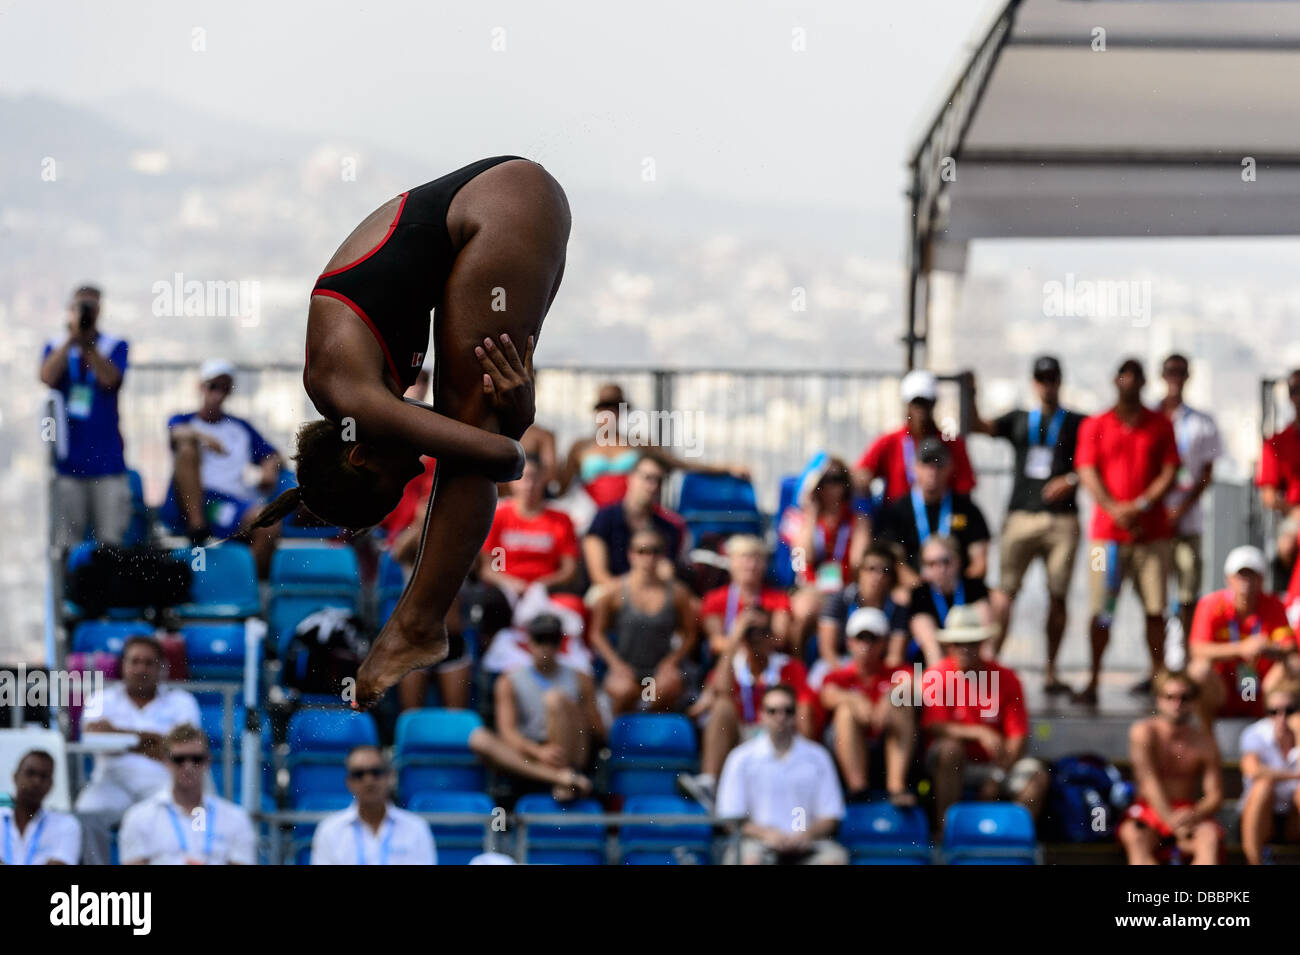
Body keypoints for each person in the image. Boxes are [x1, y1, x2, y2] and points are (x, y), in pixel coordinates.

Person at [252, 156, 572, 709]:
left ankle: (419, 624)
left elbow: (500, 457)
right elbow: (501, 449)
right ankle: (418, 624)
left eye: (393, 484)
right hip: (504, 208)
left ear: (358, 456)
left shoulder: (353, 395)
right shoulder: (346, 393)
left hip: (502, 209)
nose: (413, 471)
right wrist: (512, 419)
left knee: (469, 444)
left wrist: (511, 425)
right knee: (477, 427)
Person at [967, 356, 1084, 692]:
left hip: (1063, 520)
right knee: (1004, 594)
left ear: (1060, 381)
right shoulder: (1019, 419)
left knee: (1057, 597)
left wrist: (1072, 479)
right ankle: (990, 665)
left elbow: (1097, 459)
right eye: (1042, 379)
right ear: (1034, 383)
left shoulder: (1076, 422)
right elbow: (980, 427)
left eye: (1052, 379)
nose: (1047, 385)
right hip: (1021, 515)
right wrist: (970, 393)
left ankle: (1050, 672)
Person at [1075, 358, 1180, 703]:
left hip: (1152, 536)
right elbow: (1088, 470)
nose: (1130, 383)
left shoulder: (1160, 425)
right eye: (1125, 376)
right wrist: (1113, 508)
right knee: (1102, 610)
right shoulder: (1096, 424)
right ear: (1115, 380)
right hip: (1106, 538)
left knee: (1155, 610)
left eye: (1136, 377)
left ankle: (1160, 679)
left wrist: (1141, 504)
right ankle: (1092, 679)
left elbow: (1169, 472)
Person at [922, 605, 1046, 829]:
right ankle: (946, 833)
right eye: (958, 643)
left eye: (971, 642)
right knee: (949, 750)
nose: (964, 649)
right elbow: (935, 726)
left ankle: (1011, 840)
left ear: (981, 644)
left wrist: (998, 776)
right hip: (954, 763)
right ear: (949, 646)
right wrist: (980, 732)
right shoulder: (936, 676)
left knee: (1036, 777)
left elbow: (1017, 736)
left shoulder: (1007, 678)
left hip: (996, 764)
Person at [683, 608, 820, 807]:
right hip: (741, 736)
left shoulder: (789, 667)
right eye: (750, 633)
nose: (756, 639)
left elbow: (805, 709)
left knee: (802, 709)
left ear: (773, 638)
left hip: (778, 735)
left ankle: (803, 771)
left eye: (763, 632)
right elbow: (721, 689)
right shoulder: (732, 666)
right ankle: (710, 783)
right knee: (722, 706)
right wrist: (734, 639)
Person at [160, 359, 284, 574]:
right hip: (199, 500)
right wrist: (203, 437)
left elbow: (272, 454)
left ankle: (242, 585)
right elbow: (176, 433)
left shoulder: (240, 427)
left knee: (269, 525)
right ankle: (197, 526)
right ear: (201, 387)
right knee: (187, 450)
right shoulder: (184, 420)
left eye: (224, 387)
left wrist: (268, 468)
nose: (218, 393)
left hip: (232, 502)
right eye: (213, 386)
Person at [74, 636, 202, 831]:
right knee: (86, 812)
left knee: (185, 813)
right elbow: (92, 737)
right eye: (135, 661)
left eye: (149, 663)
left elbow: (183, 748)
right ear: (123, 665)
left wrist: (118, 737)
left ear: (161, 667)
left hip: (163, 783)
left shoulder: (182, 701)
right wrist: (155, 741)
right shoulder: (101, 698)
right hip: (111, 782)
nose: (141, 669)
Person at [39, 284, 132, 550]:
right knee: (69, 540)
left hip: (108, 461)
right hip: (69, 463)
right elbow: (46, 377)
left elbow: (111, 380)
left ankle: (109, 590)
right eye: (82, 307)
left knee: (111, 541)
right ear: (71, 309)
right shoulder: (57, 346)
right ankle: (73, 589)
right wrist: (72, 339)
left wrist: (90, 346)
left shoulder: (114, 345)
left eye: (92, 307)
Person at [716, 685, 848, 865]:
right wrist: (766, 834)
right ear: (761, 714)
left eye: (788, 711)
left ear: (796, 714)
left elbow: (831, 816)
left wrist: (806, 835)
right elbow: (730, 819)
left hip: (809, 842)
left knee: (833, 860)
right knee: (750, 860)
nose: (781, 717)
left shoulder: (818, 757)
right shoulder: (741, 758)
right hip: (756, 842)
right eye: (773, 711)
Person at [558, 382, 746, 507]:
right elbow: (562, 489)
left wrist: (726, 468)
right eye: (604, 408)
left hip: (632, 517)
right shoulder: (581, 447)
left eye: (614, 408)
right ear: (596, 411)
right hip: (594, 519)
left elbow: (678, 464)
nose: (609, 413)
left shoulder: (638, 444)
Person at [1118, 670, 1224, 865]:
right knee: (1134, 834)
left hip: (1188, 813)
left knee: (1209, 838)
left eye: (1184, 698)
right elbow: (1148, 780)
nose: (1177, 704)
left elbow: (1215, 795)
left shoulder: (1204, 742)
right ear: (1159, 699)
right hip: (1150, 810)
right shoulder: (1144, 732)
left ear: (1194, 702)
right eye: (1170, 697)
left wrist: (1192, 814)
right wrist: (1169, 820)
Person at [588, 530, 698, 715]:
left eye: (654, 551)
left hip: (660, 669)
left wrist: (672, 661)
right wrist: (615, 664)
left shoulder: (678, 593)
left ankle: (651, 734)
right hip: (626, 667)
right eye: (642, 551)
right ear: (631, 554)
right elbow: (596, 633)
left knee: (665, 689)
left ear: (662, 556)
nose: (648, 557)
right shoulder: (614, 592)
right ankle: (617, 738)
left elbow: (690, 633)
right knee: (623, 691)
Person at [492, 615, 602, 799]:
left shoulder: (581, 678)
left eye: (552, 641)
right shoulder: (509, 681)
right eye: (539, 640)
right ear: (529, 642)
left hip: (573, 751)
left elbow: (598, 730)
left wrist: (571, 714)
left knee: (555, 699)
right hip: (533, 751)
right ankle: (561, 779)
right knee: (485, 740)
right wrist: (538, 751)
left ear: (560, 643)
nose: (545, 647)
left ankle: (567, 777)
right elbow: (507, 733)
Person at [1187, 546, 1296, 725]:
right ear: (1228, 579)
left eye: (1252, 575)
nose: (1246, 581)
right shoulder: (1211, 604)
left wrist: (1268, 648)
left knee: (1293, 665)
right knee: (1199, 670)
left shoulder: (1273, 604)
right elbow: (1197, 650)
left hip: (1263, 687)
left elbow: (1289, 646)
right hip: (1224, 687)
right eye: (1240, 575)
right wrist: (1241, 648)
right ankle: (1207, 736)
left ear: (1262, 579)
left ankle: (1279, 733)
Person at [119, 724, 256, 865]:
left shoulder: (236, 818)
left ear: (207, 761)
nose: (188, 767)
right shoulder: (139, 817)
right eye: (179, 759)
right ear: (166, 761)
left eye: (196, 759)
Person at [819, 608, 916, 805]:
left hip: (887, 741)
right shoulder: (838, 676)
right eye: (861, 638)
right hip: (852, 745)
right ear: (849, 642)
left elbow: (913, 685)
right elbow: (827, 695)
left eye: (873, 639)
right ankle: (858, 788)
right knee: (845, 712)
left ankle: (896, 787)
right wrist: (854, 700)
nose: (866, 645)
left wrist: (889, 697)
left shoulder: (899, 672)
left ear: (883, 643)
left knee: (901, 705)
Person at [1156, 353, 1222, 639]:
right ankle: (1158, 665)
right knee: (1155, 596)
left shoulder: (1202, 422)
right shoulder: (1150, 418)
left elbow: (1207, 474)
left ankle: (1184, 657)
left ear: (1187, 376)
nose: (1175, 378)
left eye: (1180, 372)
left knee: (1187, 591)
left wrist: (1181, 509)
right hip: (1155, 521)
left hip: (1188, 518)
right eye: (1170, 371)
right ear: (1162, 375)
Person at [873, 437, 989, 587]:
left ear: (950, 467)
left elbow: (979, 564)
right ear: (914, 467)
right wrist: (923, 590)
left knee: (998, 600)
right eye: (926, 463)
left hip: (957, 591)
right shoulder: (898, 511)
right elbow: (895, 563)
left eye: (939, 464)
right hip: (913, 591)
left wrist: (955, 589)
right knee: (899, 598)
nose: (932, 470)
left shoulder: (967, 510)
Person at [852, 369, 975, 504]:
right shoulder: (889, 441)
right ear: (907, 404)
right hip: (898, 520)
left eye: (925, 403)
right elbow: (861, 474)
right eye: (916, 403)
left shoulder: (952, 444)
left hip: (939, 519)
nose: (921, 409)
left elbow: (964, 490)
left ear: (934, 403)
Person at [310, 745, 437, 865]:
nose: (368, 781)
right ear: (349, 782)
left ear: (390, 777)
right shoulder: (329, 830)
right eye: (359, 774)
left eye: (376, 772)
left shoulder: (416, 828)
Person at [479, 453, 579, 600]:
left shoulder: (560, 520)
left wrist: (542, 586)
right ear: (512, 481)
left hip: (547, 592)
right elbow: (487, 568)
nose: (529, 484)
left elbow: (569, 570)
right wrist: (510, 583)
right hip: (506, 592)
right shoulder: (498, 516)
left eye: (534, 477)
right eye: (523, 478)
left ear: (544, 479)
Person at [582, 452, 684, 593]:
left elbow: (666, 573)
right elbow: (599, 576)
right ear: (630, 478)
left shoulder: (667, 527)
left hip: (651, 594)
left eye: (659, 481)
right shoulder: (604, 518)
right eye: (647, 478)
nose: (653, 486)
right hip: (611, 593)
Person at [816, 545, 910, 679]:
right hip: (842, 664)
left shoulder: (897, 609)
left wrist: (873, 684)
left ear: (891, 577)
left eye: (885, 570)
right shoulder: (839, 599)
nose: (878, 576)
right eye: (871, 569)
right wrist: (847, 679)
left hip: (880, 670)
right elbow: (827, 649)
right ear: (859, 571)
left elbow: (895, 657)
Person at [699, 535, 793, 659]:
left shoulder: (778, 599)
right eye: (744, 558)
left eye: (757, 559)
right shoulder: (714, 599)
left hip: (764, 660)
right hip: (730, 662)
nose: (751, 565)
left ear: (765, 564)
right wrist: (742, 628)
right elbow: (716, 643)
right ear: (731, 562)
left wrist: (761, 628)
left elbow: (779, 640)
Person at [1238, 683, 1300, 865]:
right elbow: (1253, 770)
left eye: (1289, 711)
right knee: (1263, 787)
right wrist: (1294, 776)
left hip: (1293, 819)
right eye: (1274, 711)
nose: (1281, 717)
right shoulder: (1256, 732)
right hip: (1263, 817)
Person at [907, 536, 991, 667]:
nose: (940, 568)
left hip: (971, 660)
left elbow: (985, 636)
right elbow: (930, 643)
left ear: (957, 561)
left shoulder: (974, 587)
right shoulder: (920, 593)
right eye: (932, 564)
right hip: (932, 665)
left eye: (945, 561)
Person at [1, 750, 82, 865]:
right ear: (15, 777)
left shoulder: (66, 825)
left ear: (51, 785)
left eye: (43, 777)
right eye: (30, 773)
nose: (36, 782)